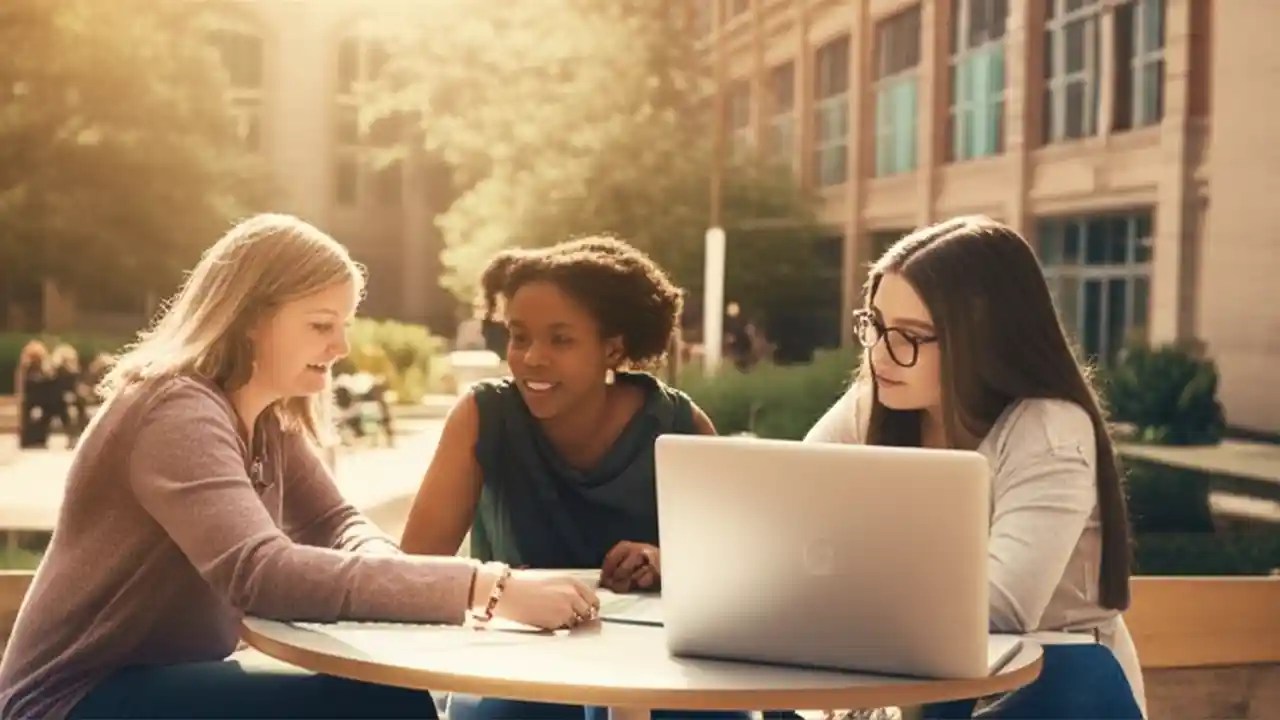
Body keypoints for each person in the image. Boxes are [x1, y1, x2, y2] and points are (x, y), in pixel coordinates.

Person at [0, 214, 598, 720]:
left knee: (384, 690)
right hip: (75, 698)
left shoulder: (266, 418)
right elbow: (260, 572)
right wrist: (485, 587)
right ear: (249, 317)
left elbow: (338, 523)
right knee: (377, 703)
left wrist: (401, 578)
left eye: (343, 326)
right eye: (320, 325)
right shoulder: (175, 411)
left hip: (167, 680)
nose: (340, 348)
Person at [805, 216, 1146, 718]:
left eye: (910, 336)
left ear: (983, 338)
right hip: (922, 683)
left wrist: (845, 595)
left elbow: (1000, 606)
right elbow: (790, 517)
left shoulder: (1049, 428)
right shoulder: (875, 404)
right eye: (873, 326)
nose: (880, 353)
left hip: (1050, 689)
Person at [401, 237, 734, 720]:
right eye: (519, 336)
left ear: (612, 349)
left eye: (561, 339)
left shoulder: (677, 424)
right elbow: (414, 571)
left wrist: (668, 561)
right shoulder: (483, 417)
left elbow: (739, 575)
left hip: (659, 670)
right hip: (520, 670)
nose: (532, 357)